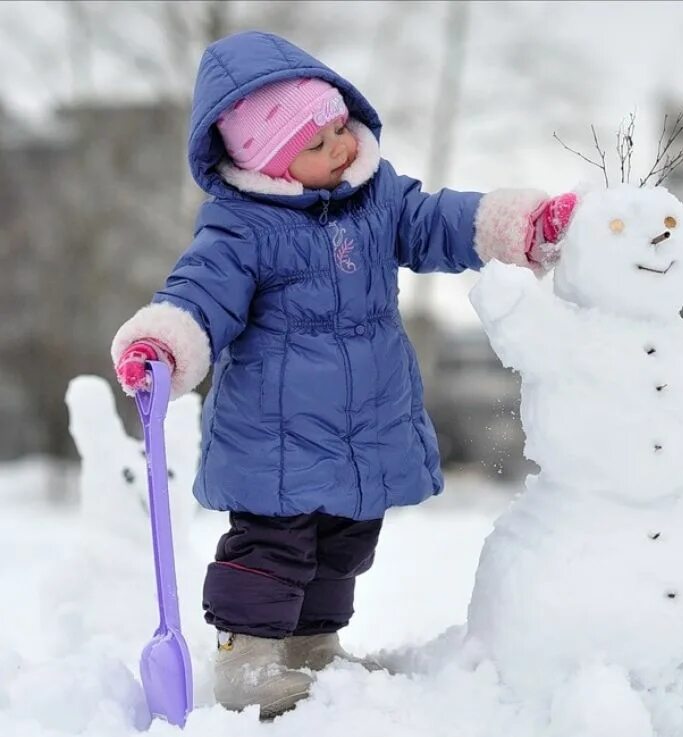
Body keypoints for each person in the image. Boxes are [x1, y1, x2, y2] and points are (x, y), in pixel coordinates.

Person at [111, 30, 577, 720]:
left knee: (346, 542)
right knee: (272, 547)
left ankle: (312, 647)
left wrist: (521, 226)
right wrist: (164, 343)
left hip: (366, 423)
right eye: (316, 143)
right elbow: (199, 293)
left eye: (338, 128)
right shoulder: (242, 230)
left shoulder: (378, 198)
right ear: (269, 163)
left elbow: (439, 221)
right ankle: (246, 657)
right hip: (276, 433)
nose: (340, 147)